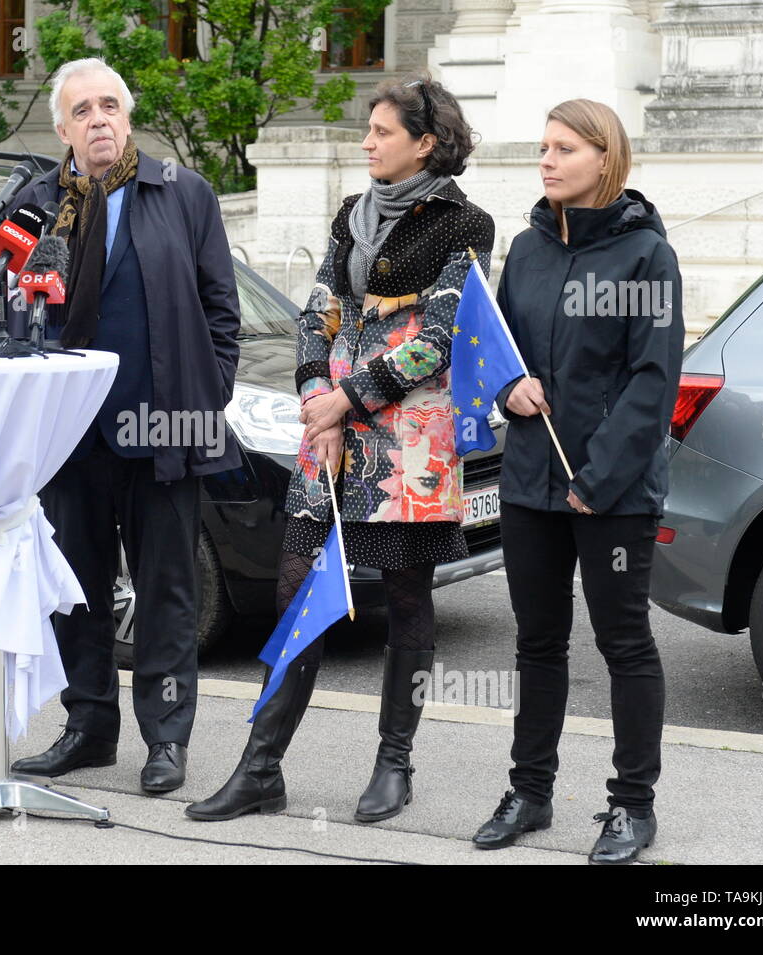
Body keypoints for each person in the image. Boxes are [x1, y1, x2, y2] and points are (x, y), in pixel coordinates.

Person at [185, 75, 494, 823]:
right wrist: (316, 397)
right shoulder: (353, 212)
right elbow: (318, 310)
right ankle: (261, 768)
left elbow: (442, 340)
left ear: (424, 143)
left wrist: (348, 397)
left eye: (381, 132)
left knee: (407, 600)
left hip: (407, 444)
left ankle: (395, 763)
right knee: (295, 599)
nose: (366, 142)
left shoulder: (466, 224)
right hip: (328, 435)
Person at [6, 57, 242, 794]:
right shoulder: (38, 201)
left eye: (110, 105)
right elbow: (8, 306)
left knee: (167, 591)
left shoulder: (181, 193)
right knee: (76, 589)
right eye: (83, 109)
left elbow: (221, 313)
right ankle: (88, 728)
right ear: (62, 127)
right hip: (69, 434)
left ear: (128, 117)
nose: (99, 118)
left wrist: (204, 398)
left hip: (161, 427)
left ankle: (166, 740)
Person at [470, 100, 683, 864]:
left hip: (611, 491)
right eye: (543, 147)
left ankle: (632, 806)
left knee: (625, 643)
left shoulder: (646, 255)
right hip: (530, 480)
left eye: (564, 148)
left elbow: (653, 381)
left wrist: (598, 476)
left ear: (604, 157)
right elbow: (497, 349)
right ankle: (530, 791)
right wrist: (507, 391)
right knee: (537, 641)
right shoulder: (526, 248)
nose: (548, 161)